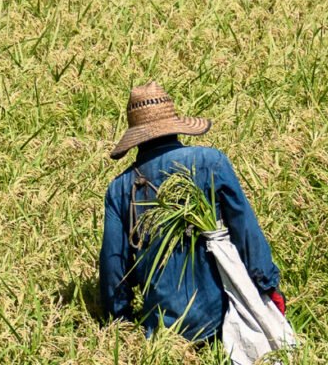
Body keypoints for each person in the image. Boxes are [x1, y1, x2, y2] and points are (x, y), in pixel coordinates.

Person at [98, 82, 286, 342]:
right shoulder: (211, 162)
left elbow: (113, 263)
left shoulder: (120, 188)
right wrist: (268, 284)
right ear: (175, 124)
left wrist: (119, 320)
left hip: (163, 328)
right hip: (224, 319)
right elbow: (245, 230)